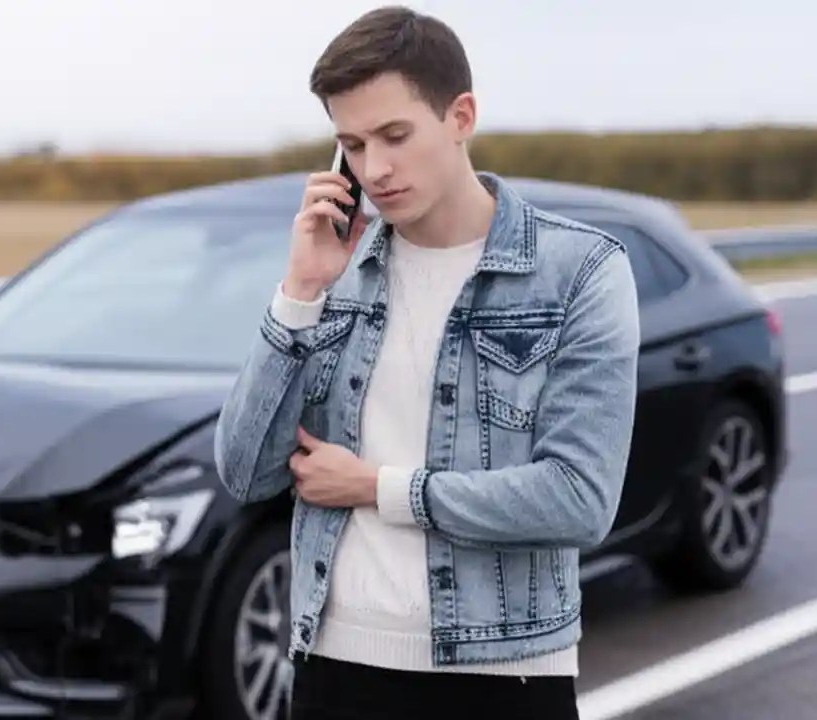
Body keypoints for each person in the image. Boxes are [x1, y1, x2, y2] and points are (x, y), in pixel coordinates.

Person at [212, 6, 640, 719]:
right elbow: (245, 470)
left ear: (461, 115)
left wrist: (380, 488)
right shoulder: (334, 274)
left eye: (395, 135)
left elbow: (579, 497)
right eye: (351, 144)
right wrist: (299, 293)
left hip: (505, 674)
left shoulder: (580, 271)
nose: (374, 169)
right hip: (333, 665)